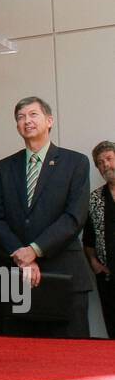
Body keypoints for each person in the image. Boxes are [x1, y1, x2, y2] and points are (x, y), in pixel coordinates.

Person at [0, 97, 93, 339]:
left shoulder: (75, 162)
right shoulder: (4, 167)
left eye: (33, 114)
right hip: (15, 277)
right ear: (17, 127)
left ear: (49, 120)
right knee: (19, 357)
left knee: (70, 359)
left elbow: (74, 217)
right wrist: (21, 254)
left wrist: (35, 250)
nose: (27, 121)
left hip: (65, 275)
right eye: (21, 117)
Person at [83, 140, 115, 339]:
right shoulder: (95, 198)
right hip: (108, 276)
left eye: (109, 159)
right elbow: (88, 238)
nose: (105, 165)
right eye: (100, 162)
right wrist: (94, 263)